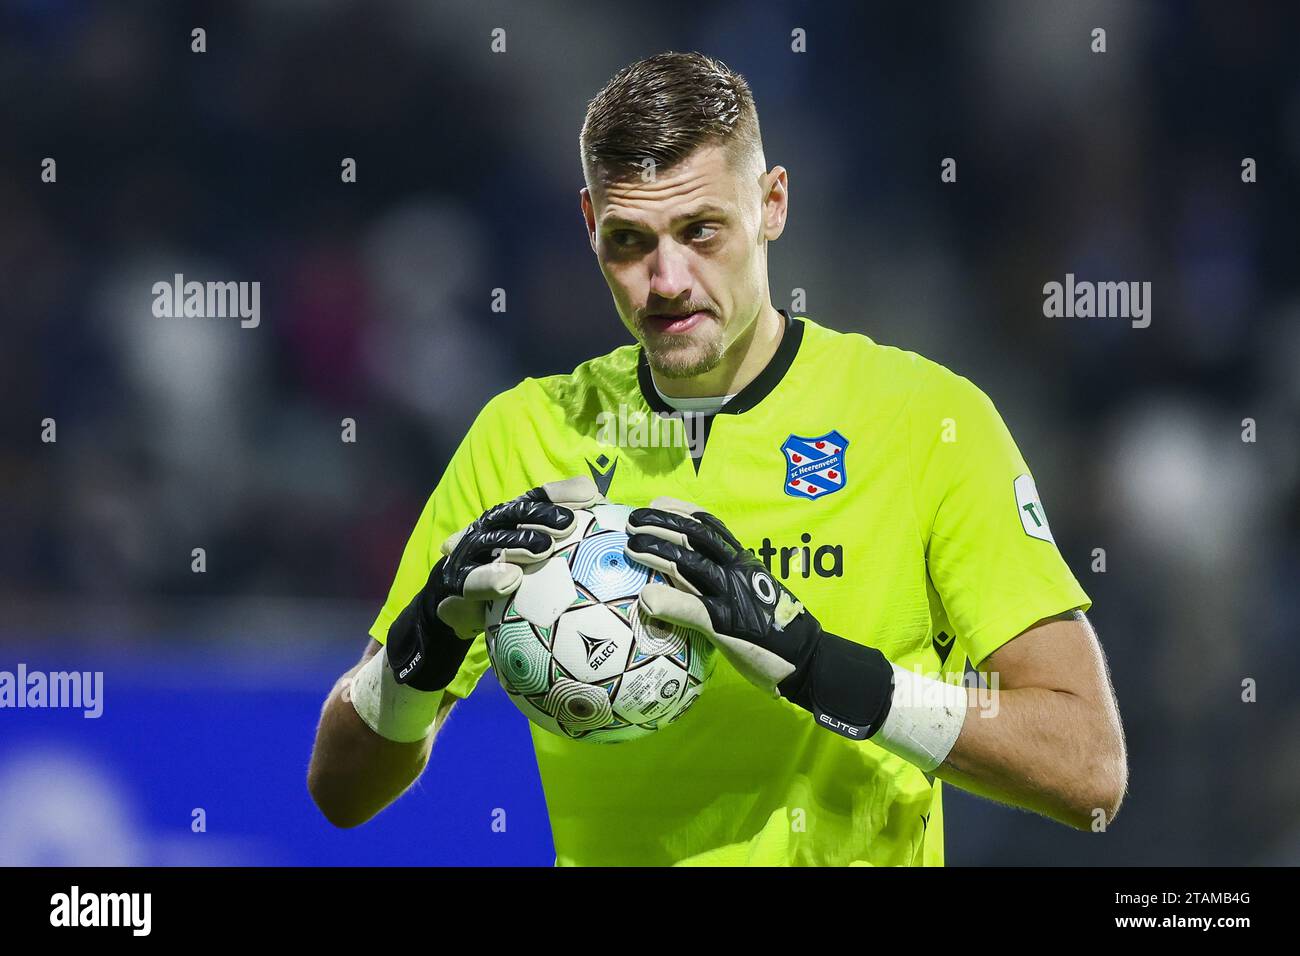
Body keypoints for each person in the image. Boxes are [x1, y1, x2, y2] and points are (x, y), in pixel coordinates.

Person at [307, 51, 1127, 866]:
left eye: (701, 231)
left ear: (771, 205)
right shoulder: (522, 435)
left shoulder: (926, 421)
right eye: (629, 241)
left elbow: (1088, 766)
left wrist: (821, 669)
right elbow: (340, 793)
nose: (666, 280)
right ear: (590, 224)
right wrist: (422, 648)